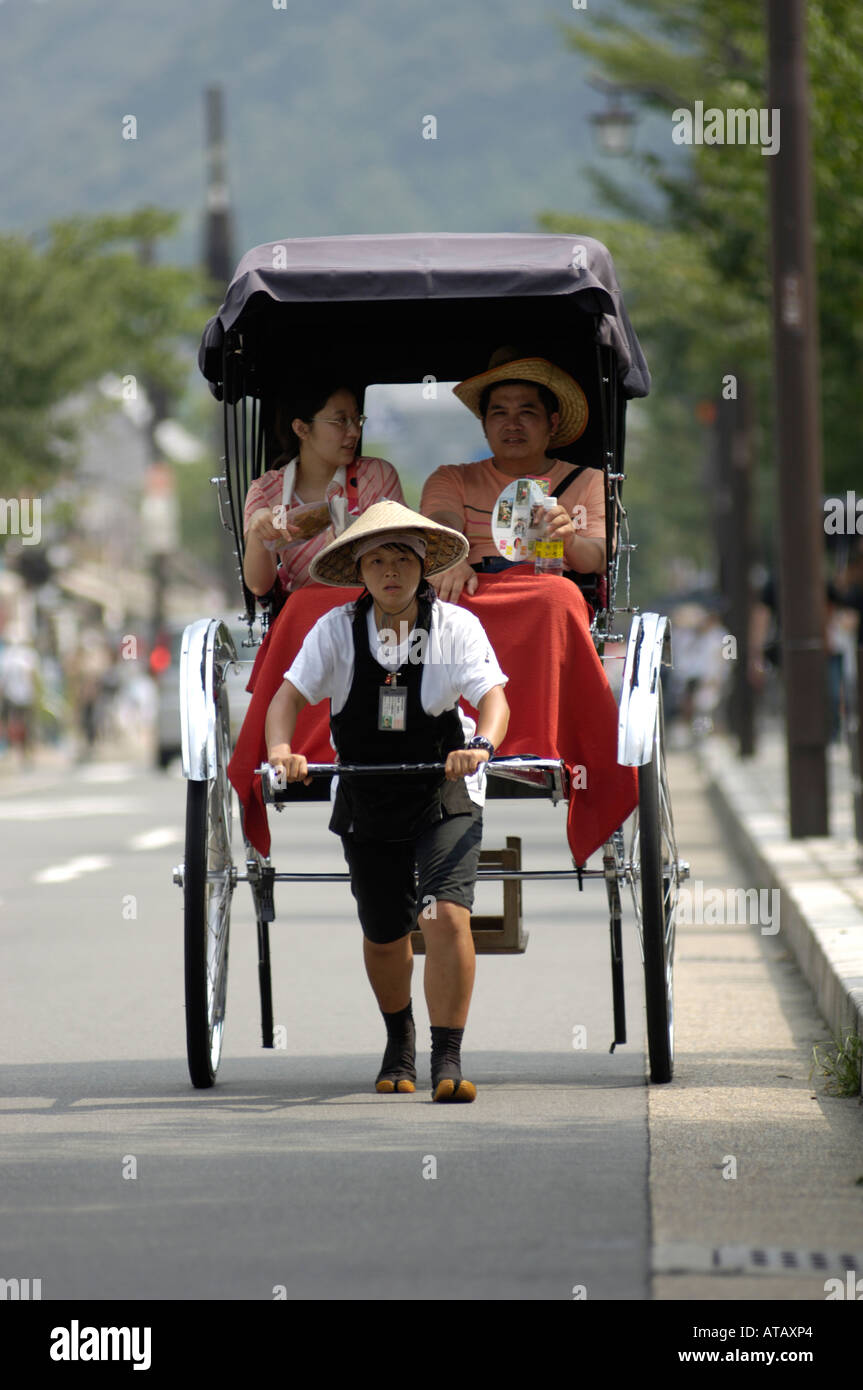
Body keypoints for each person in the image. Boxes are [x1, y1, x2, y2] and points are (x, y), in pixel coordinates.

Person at [265, 500, 510, 1103]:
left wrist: (480, 743)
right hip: (368, 792)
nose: (391, 571)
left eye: (403, 557)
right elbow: (286, 700)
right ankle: (398, 1038)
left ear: (423, 566)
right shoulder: (335, 631)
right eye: (377, 560)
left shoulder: (455, 626)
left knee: (445, 915)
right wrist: (281, 749)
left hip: (442, 787)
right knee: (384, 930)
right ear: (361, 570)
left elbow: (495, 699)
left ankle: (447, 1056)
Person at [420, 348, 606, 602]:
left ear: (552, 423)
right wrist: (448, 555)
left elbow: (599, 557)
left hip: (551, 594)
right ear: (484, 424)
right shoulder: (452, 478)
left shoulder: (589, 481)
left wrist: (570, 541)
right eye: (499, 413)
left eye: (526, 412)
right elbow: (441, 523)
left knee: (558, 594)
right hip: (474, 593)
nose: (512, 425)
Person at [243, 383, 405, 599]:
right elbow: (259, 586)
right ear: (301, 429)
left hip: (371, 608)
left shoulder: (376, 476)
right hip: (305, 615)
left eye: (357, 419)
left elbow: (400, 556)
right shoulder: (270, 494)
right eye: (340, 421)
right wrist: (258, 534)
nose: (355, 431)